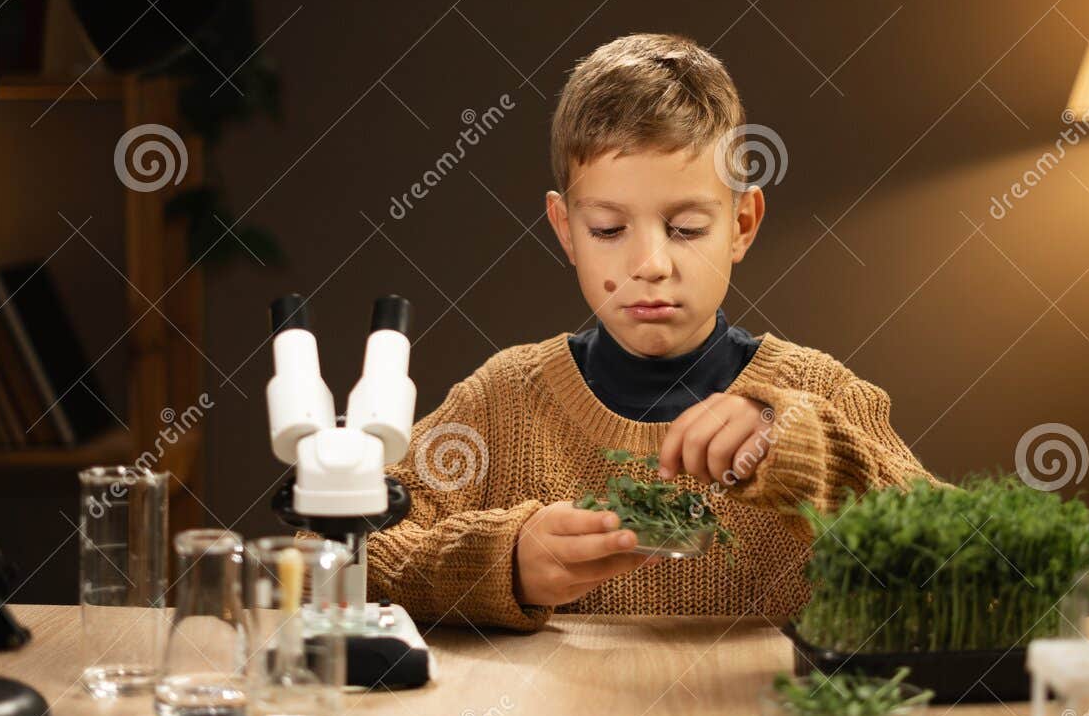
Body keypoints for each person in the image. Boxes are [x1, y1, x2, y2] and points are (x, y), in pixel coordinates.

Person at [368, 33, 940, 630]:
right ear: (565, 229)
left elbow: (980, 567)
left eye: (687, 229)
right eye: (609, 229)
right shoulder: (503, 402)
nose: (650, 264)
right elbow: (339, 549)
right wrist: (499, 564)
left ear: (742, 224)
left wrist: (813, 458)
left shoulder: (820, 397)